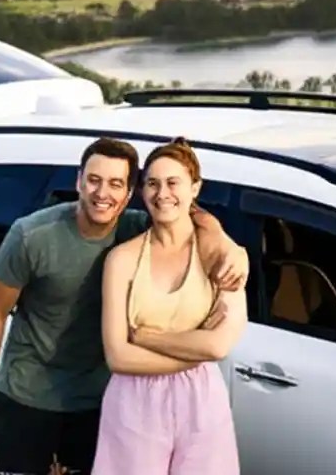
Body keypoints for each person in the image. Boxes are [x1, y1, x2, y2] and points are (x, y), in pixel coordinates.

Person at [0, 136, 249, 475]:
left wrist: (226, 242)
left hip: (97, 400)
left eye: (116, 184)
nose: (103, 194)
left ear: (130, 194)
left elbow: (183, 210)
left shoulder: (137, 228)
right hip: (30, 394)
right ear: (78, 181)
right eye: (94, 180)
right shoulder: (32, 236)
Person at [93, 137, 246, 474]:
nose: (163, 194)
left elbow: (219, 344)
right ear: (142, 190)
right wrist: (194, 353)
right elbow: (118, 356)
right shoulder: (122, 259)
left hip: (202, 402)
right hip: (134, 402)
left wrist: (145, 338)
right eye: (153, 183)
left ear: (195, 188)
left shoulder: (222, 255)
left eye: (173, 182)